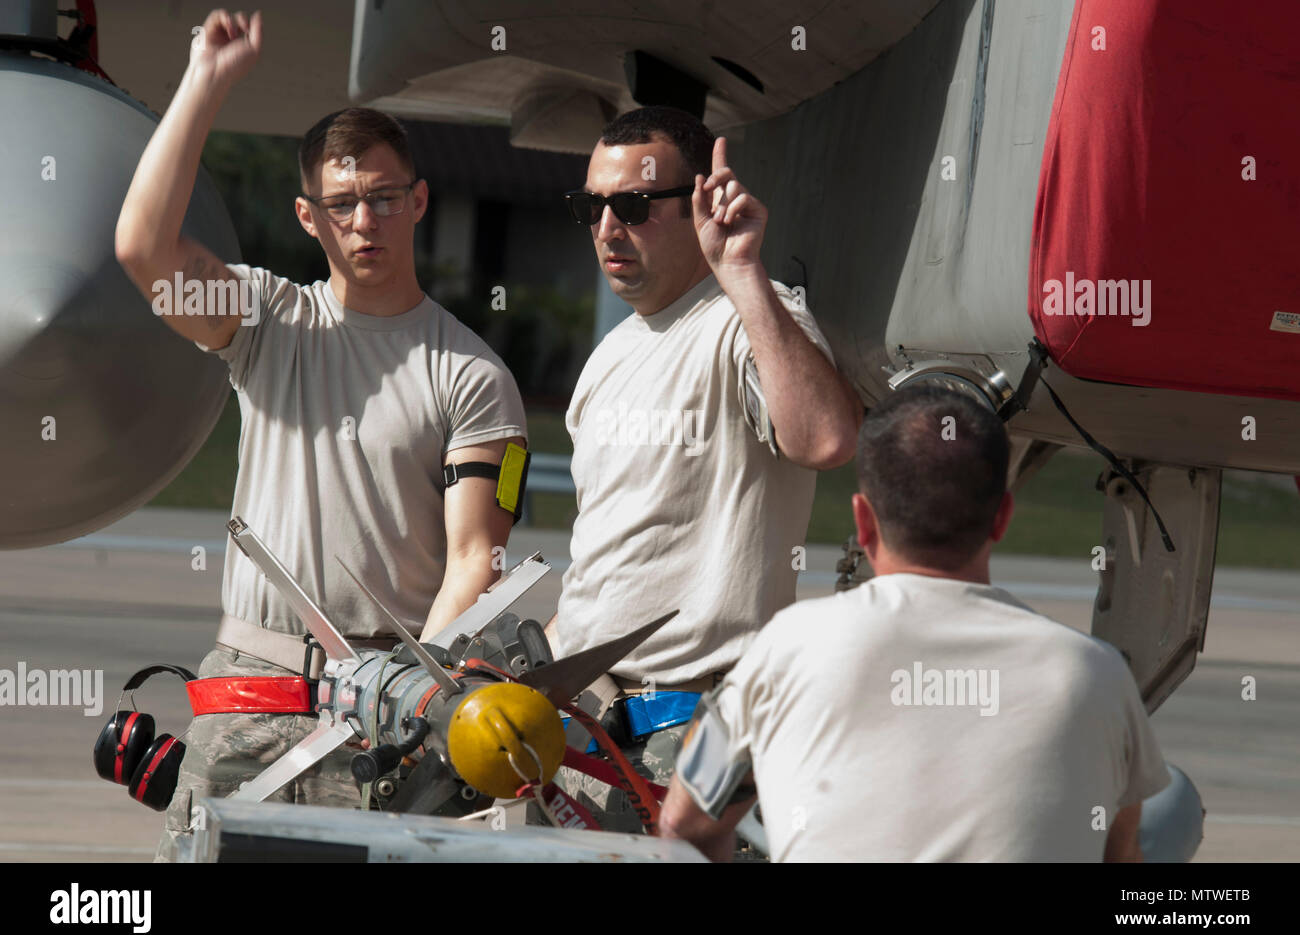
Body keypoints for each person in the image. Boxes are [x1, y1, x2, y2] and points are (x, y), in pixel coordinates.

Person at [115, 10, 527, 860]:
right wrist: (205, 82)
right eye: (342, 204)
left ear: (418, 200)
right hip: (245, 697)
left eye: (383, 197)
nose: (364, 220)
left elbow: (475, 562)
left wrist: (413, 691)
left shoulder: (472, 375)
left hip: (384, 718)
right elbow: (143, 247)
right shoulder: (268, 321)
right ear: (309, 218)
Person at [659, 385, 1171, 861]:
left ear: (863, 521)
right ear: (1002, 516)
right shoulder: (1096, 674)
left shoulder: (787, 646)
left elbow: (684, 826)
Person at [544, 106, 862, 831]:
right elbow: (610, 562)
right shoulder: (609, 355)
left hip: (693, 733)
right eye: (589, 206)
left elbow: (825, 439)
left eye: (630, 205)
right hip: (585, 729)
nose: (605, 228)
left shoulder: (752, 319)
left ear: (698, 204)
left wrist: (743, 269)